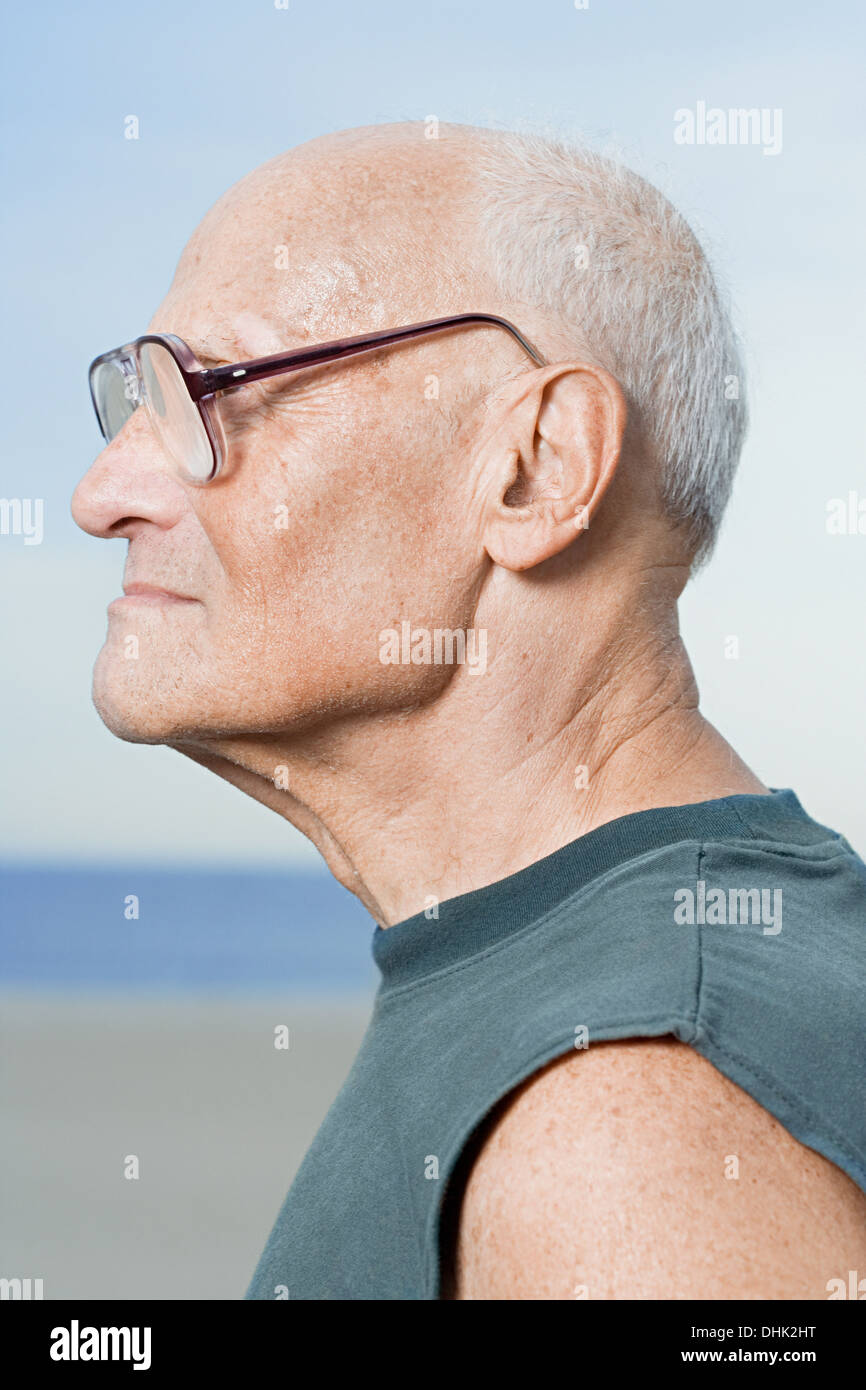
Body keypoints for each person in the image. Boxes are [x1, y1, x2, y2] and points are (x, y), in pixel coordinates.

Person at [72, 121, 866, 1300]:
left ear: (538, 467)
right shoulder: (596, 995)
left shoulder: (619, 1125)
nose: (103, 496)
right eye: (136, 395)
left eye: (211, 388)